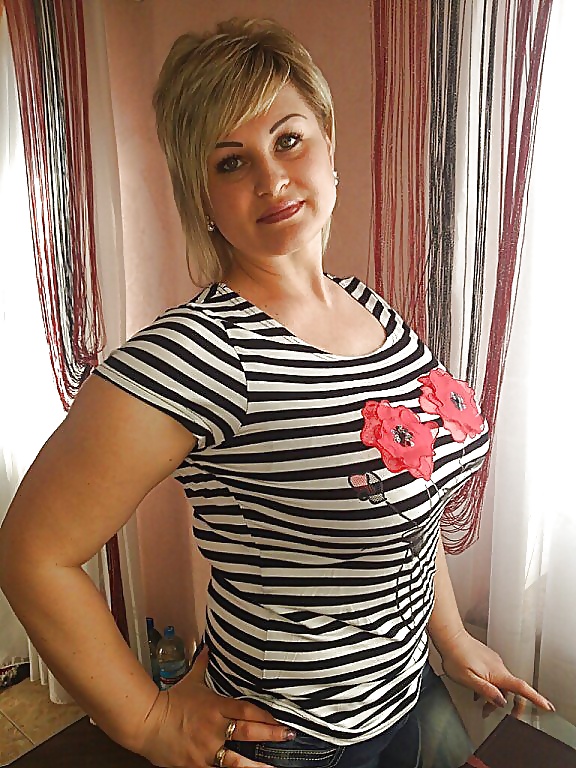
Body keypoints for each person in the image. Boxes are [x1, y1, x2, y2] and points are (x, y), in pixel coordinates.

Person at [0, 17, 554, 768]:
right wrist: (149, 723)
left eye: (288, 140)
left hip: (405, 696)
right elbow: (32, 554)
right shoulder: (200, 353)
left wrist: (450, 636)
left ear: (328, 145)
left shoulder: (368, 307)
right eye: (232, 162)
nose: (270, 179)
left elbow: (412, 499)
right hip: (294, 738)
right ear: (201, 195)